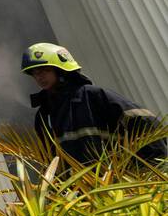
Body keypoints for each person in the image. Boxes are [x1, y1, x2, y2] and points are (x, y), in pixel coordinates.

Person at [21, 42, 166, 164]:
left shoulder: (93, 96)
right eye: (35, 73)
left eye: (45, 70)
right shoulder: (44, 115)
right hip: (80, 193)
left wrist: (151, 168)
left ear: (61, 71)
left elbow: (149, 126)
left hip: (116, 186)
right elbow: (50, 159)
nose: (39, 77)